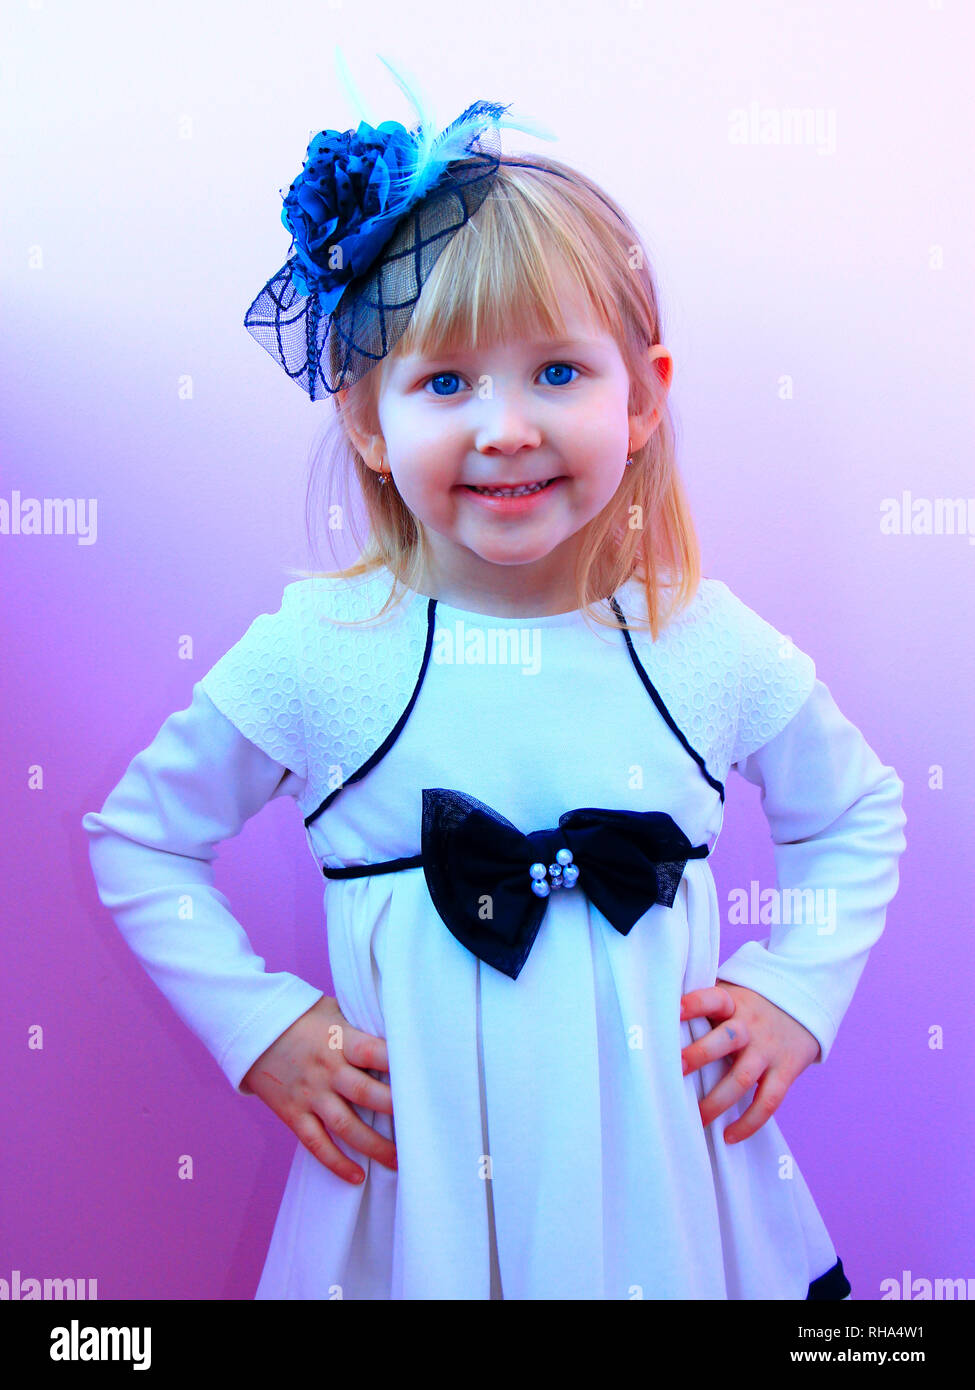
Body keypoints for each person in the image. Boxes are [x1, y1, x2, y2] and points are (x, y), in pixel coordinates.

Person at [82, 80, 907, 1300]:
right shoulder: (325, 651)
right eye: (448, 383)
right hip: (422, 1221)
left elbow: (856, 814)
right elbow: (139, 840)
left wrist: (795, 989)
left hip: (667, 1211)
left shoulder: (702, 641)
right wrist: (264, 1031)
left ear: (644, 396)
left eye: (560, 372)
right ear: (367, 419)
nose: (508, 427)